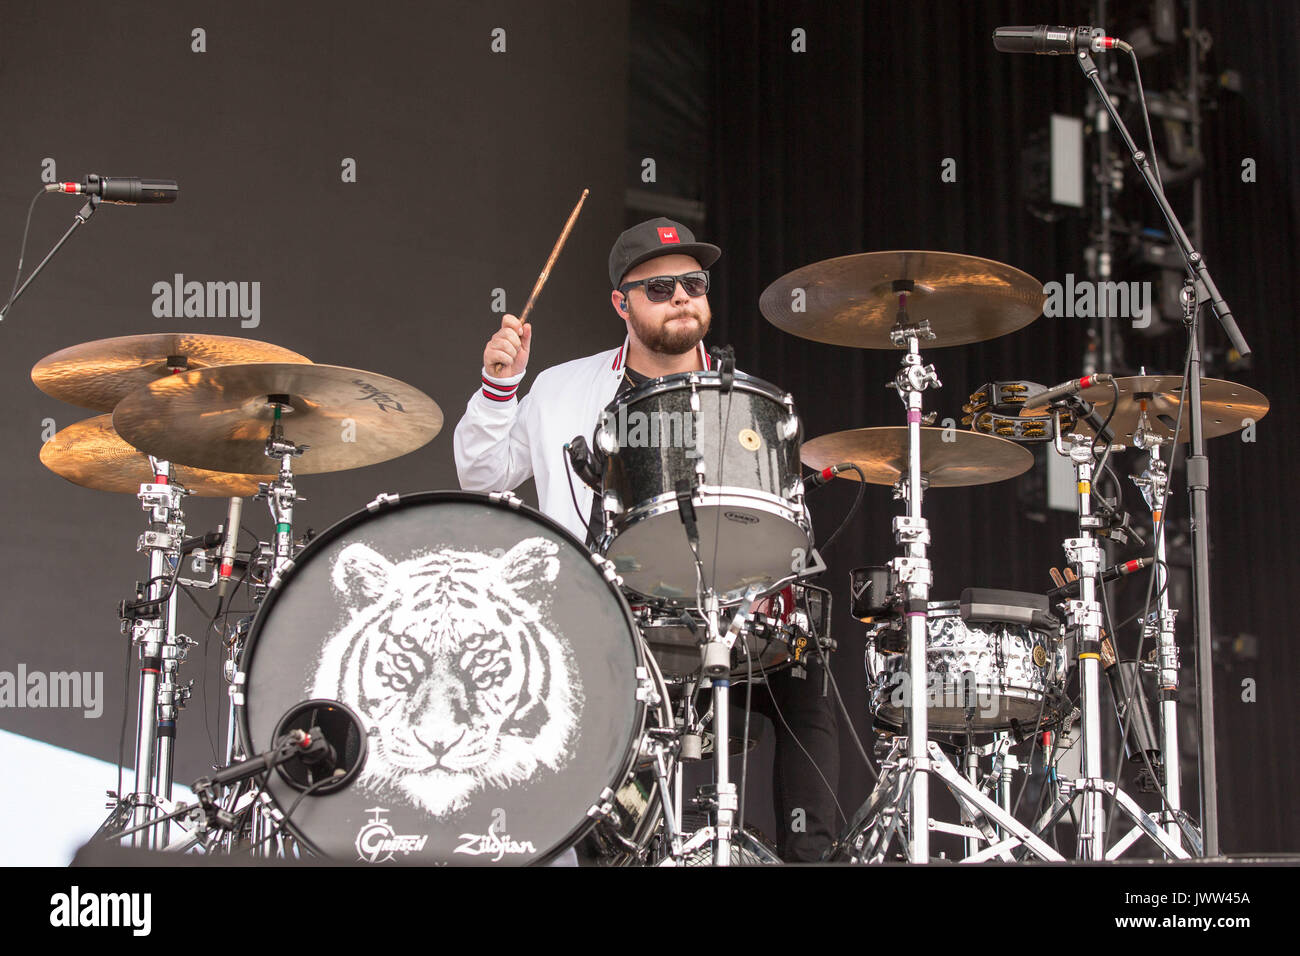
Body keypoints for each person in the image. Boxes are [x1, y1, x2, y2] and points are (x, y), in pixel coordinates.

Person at [454, 217, 839, 861]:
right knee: (604, 714)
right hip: (607, 620)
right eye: (659, 288)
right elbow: (482, 473)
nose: (682, 296)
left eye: (693, 282)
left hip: (729, 610)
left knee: (807, 675)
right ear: (621, 304)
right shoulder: (561, 390)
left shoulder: (746, 401)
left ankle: (810, 859)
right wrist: (500, 386)